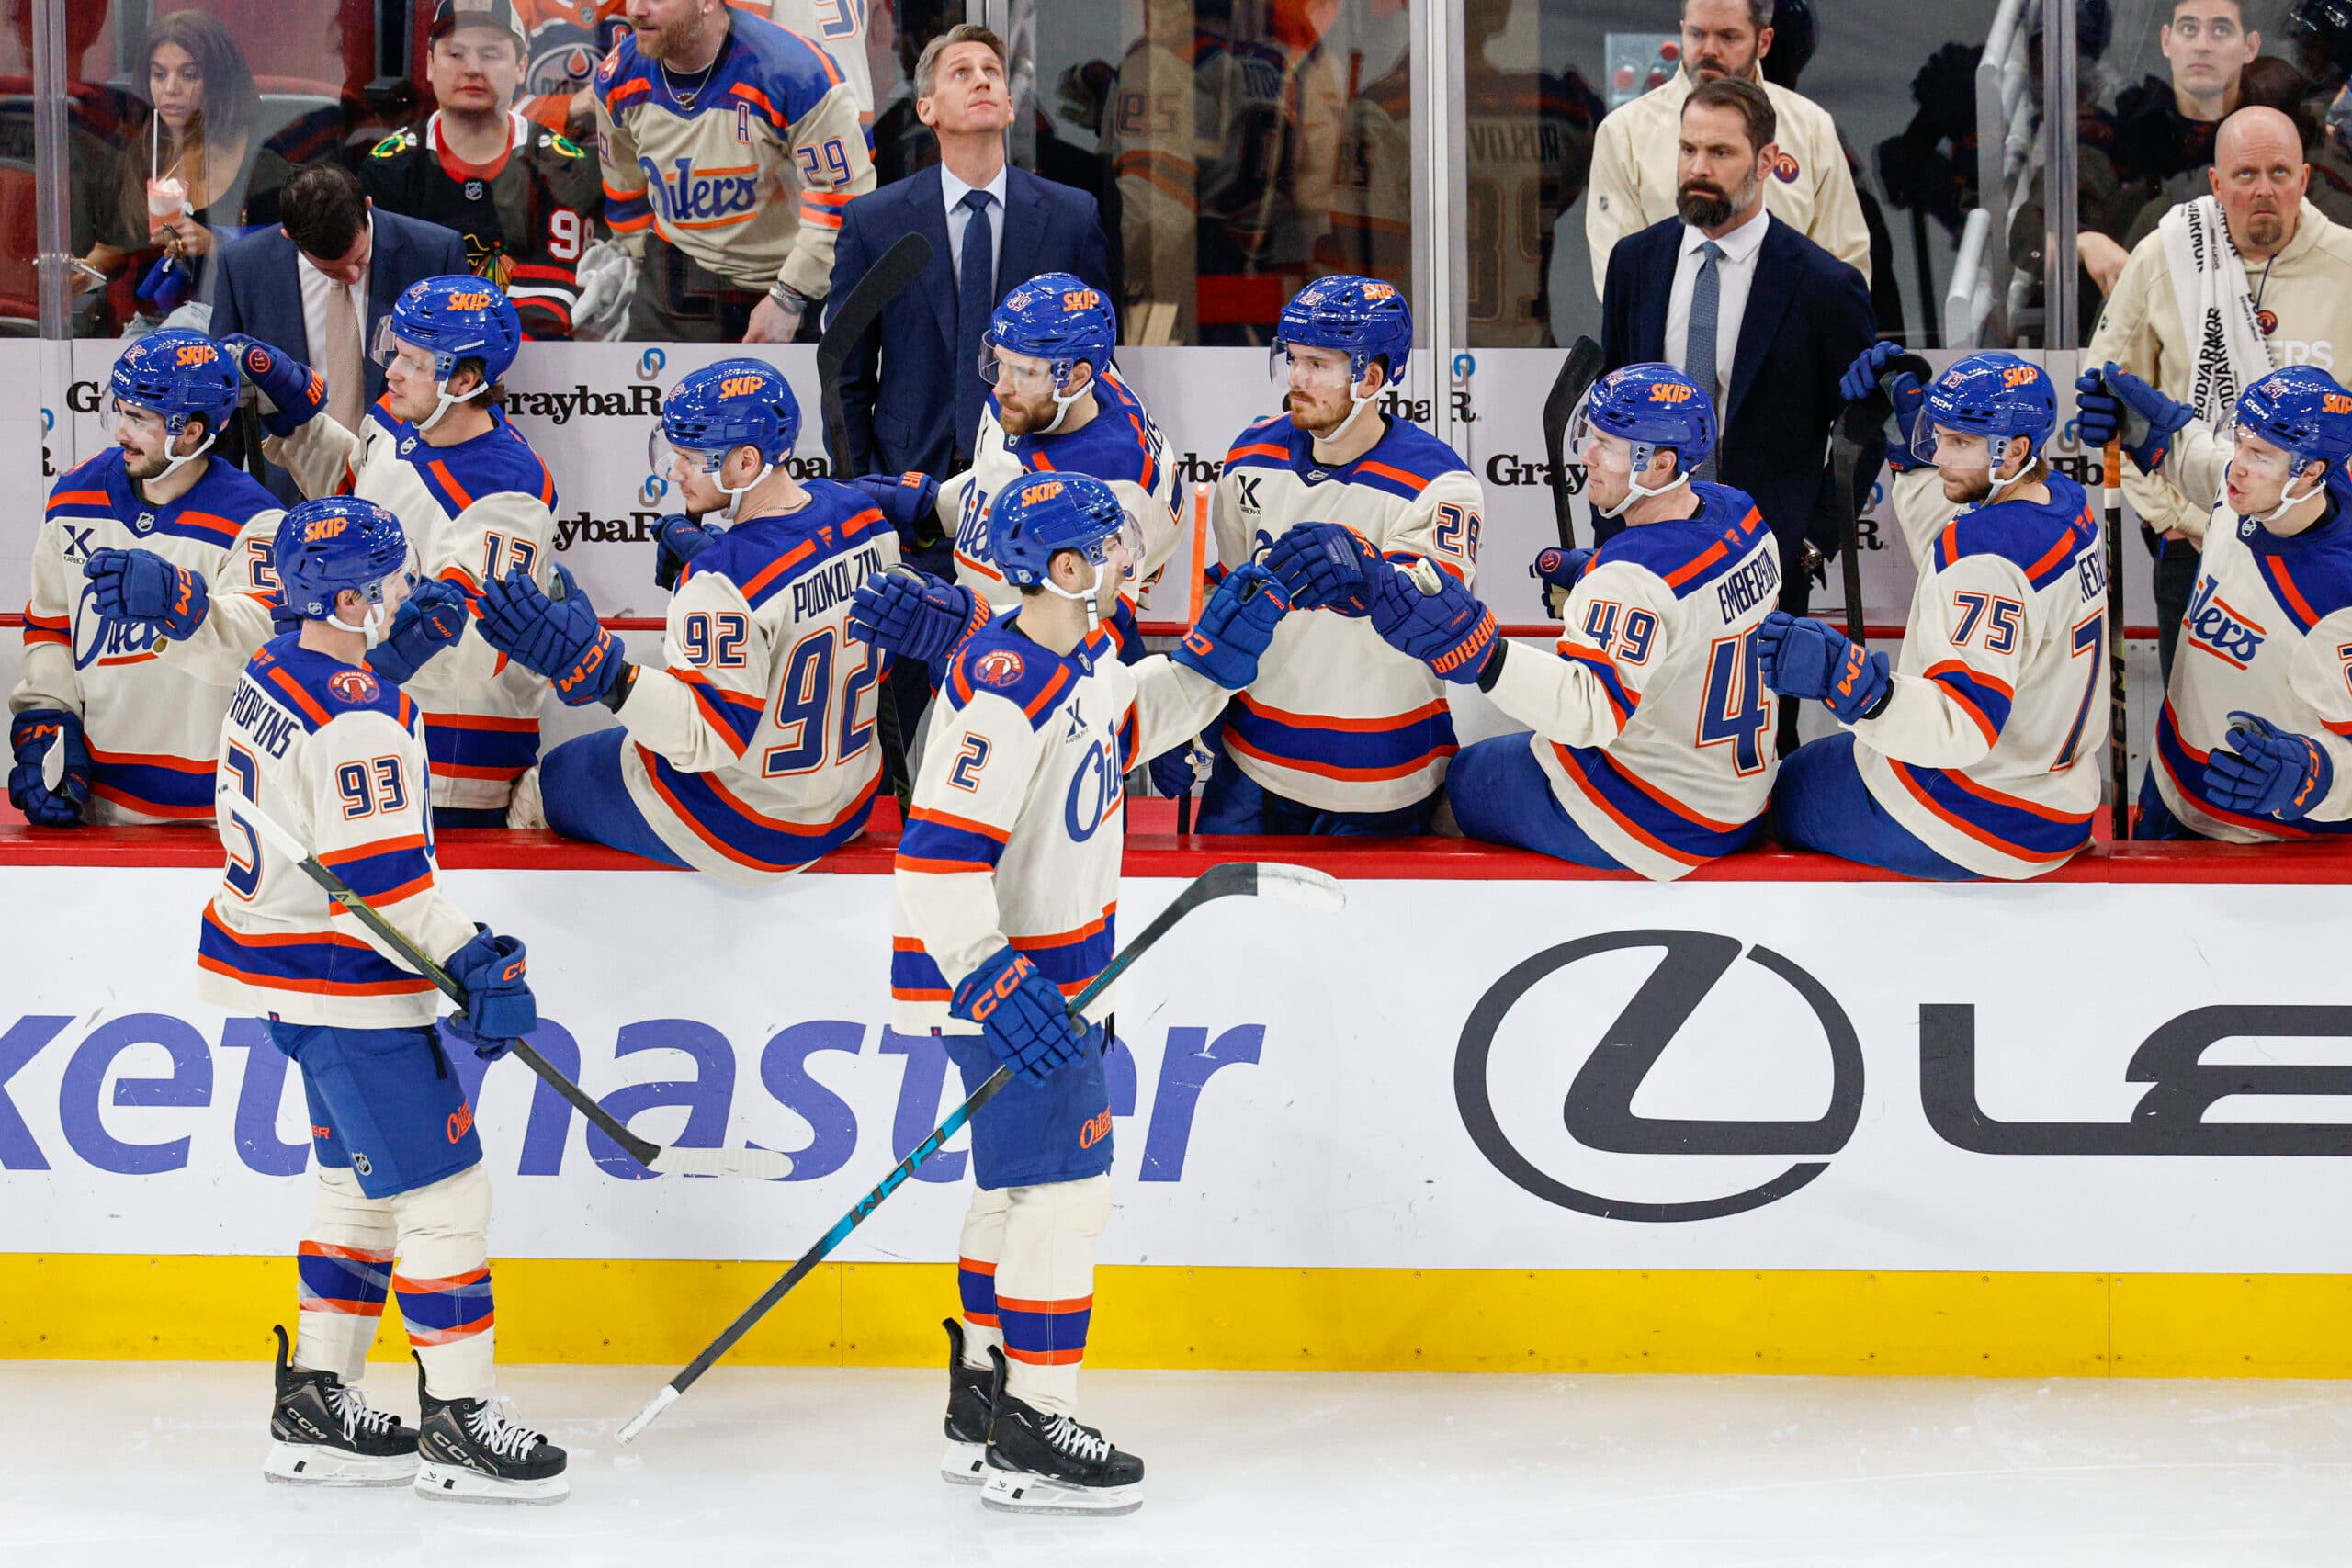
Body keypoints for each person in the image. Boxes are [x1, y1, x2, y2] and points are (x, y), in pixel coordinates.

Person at [859, 473, 1292, 1513]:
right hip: (1011, 984)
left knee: (1011, 1190)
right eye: (1109, 548)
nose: (1129, 560)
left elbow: (1129, 726)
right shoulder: (1004, 691)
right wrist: (992, 976)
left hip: (1048, 975)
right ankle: (1034, 1424)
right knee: (1065, 1196)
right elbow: (935, 862)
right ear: (1063, 569)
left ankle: (982, 1404)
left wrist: (1217, 662)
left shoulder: (1085, 655)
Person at [187, 495, 566, 1502]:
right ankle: (460, 1418)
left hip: (286, 975)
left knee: (356, 1190)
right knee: (446, 1197)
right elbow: (385, 887)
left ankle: (318, 1401)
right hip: (347, 986)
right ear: (351, 600)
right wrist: (476, 960)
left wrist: (382, 668)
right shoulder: (365, 719)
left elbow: (322, 765)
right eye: (391, 578)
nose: (408, 589)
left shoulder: (276, 668)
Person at [471, 359, 900, 878]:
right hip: (848, 801)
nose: (675, 471)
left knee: (552, 780)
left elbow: (707, 738)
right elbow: (870, 660)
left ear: (746, 461)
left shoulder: (720, 579)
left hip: (752, 827)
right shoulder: (862, 516)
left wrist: (604, 672)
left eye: (692, 458)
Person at [162, 278, 560, 828]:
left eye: (414, 361)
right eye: (395, 349)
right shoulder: (400, 416)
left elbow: (470, 643)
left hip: (451, 766)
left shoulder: (508, 491)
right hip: (365, 724)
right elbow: (356, 495)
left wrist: (360, 628)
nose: (392, 371)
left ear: (465, 380)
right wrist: (296, 425)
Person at [1379, 364, 1780, 878]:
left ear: (1660, 464)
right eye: (1591, 437)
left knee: (1464, 778)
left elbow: (1586, 712)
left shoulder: (1631, 576)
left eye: (1608, 445)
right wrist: (1597, 575)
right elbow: (1694, 613)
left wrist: (1481, 651)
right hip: (1743, 797)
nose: (1588, 456)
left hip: (1657, 822)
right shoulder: (1742, 516)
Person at [1600, 75, 1877, 751]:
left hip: (1763, 561)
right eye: (1688, 149)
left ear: (1768, 162)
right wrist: (1609, 527)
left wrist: (1810, 543)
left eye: (1720, 152)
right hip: (1644, 551)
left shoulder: (1824, 284)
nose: (1698, 167)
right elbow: (1614, 401)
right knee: (1635, 738)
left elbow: (1865, 427)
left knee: (1756, 748)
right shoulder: (1635, 262)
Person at [1763, 350, 2107, 881]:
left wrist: (1850, 683)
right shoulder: (2065, 502)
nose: (1941, 455)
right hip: (2056, 800)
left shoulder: (1984, 558)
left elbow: (1962, 725)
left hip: (1972, 815)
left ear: (2016, 449)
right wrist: (1917, 451)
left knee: (1774, 793)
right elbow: (1958, 543)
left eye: (1961, 443)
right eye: (1938, 436)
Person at [1207, 275, 1483, 835]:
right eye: (1292, 359)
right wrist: (1195, 707)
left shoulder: (1440, 483)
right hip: (1252, 761)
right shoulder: (1250, 455)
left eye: (1318, 364)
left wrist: (1370, 574)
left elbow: (1435, 619)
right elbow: (1229, 591)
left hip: (1383, 773)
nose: (1297, 378)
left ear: (1371, 377)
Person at [2085, 106, 2352, 684]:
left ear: (2305, 178)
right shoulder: (2167, 255)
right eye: (2245, 174)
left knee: (2319, 717)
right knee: (2197, 718)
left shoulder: (2348, 265)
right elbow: (2108, 392)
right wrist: (2168, 517)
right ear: (2216, 182)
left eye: (2280, 173)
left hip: (2327, 552)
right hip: (2196, 544)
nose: (2263, 190)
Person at [8, 332, 282, 828]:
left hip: (219, 810)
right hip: (100, 802)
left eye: (139, 419)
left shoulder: (255, 518)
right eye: (119, 411)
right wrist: (48, 717)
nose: (120, 432)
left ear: (192, 430)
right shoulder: (74, 496)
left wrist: (182, 604)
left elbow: (263, 646)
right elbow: (52, 625)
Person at [2078, 362, 2352, 841]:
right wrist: (2147, 431)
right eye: (2241, 441)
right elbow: (2204, 463)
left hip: (2257, 833)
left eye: (2260, 454)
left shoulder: (2338, 599)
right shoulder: (2252, 492)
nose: (2238, 465)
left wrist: (2316, 773)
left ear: (2311, 472)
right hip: (2170, 784)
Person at [830, 24, 1114, 481]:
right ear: (926, 109)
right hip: (906, 482)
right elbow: (847, 375)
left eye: (992, 72)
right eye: (961, 73)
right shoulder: (873, 222)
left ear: (1009, 106)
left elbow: (1097, 362)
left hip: (1040, 478)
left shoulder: (1072, 217)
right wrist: (860, 489)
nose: (982, 80)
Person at [594, 0, 874, 343]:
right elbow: (625, 188)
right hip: (677, 272)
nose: (635, 10)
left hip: (789, 277)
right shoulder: (618, 75)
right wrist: (634, 261)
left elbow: (845, 201)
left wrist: (790, 294)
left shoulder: (795, 72)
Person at [940, 274, 1179, 658]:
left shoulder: (1113, 480)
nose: (1001, 387)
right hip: (989, 622)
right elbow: (1000, 480)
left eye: (1025, 372)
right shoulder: (1042, 402)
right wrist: (936, 504)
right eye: (1001, 363)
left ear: (1077, 378)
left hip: (1040, 670)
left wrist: (970, 629)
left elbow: (1094, 635)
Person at [209, 164, 470, 502]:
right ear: (289, 237)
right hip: (289, 493)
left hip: (409, 487)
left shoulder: (434, 254)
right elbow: (226, 397)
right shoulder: (243, 266)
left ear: (367, 206)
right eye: (330, 270)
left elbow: (464, 383)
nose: (351, 276)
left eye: (359, 259)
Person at [1583, 0, 1867, 300]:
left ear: (1764, 41)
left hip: (1789, 328)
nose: (1709, 50)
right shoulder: (1624, 133)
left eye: (1728, 37)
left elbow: (1845, 266)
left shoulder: (1812, 129)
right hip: (1669, 328)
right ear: (1682, 31)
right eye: (1697, 34)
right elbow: (1619, 280)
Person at [361, 0, 605, 341]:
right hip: (424, 362)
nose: (473, 69)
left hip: (542, 365)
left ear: (521, 67)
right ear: (429, 64)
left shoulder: (566, 167)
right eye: (455, 54)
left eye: (490, 54)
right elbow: (384, 304)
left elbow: (559, 305)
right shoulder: (388, 169)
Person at [75, 11, 292, 329]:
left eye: (188, 75)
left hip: (233, 327)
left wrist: (214, 244)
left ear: (217, 82)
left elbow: (287, 258)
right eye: (159, 74)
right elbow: (114, 247)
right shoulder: (139, 154)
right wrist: (84, 273)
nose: (170, 88)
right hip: (150, 324)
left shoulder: (261, 163)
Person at [2082, 0, 2262, 294]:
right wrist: (2083, 242)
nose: (2202, 45)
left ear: (2249, 47)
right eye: (2189, 29)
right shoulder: (2121, 131)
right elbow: (2037, 232)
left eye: (2220, 30)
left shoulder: (2277, 135)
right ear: (2166, 41)